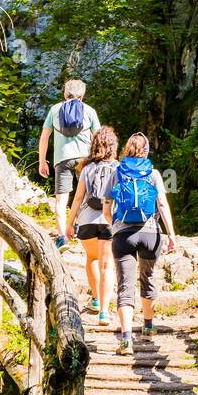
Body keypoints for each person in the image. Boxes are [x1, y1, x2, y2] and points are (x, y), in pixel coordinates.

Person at [104, 132, 176, 356]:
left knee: (125, 286)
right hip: (150, 233)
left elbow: (106, 207)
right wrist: (171, 234)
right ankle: (147, 326)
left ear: (127, 149)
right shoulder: (153, 173)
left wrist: (114, 224)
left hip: (123, 235)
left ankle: (126, 340)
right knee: (148, 278)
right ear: (146, 151)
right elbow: (162, 204)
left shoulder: (117, 172)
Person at [38, 79, 100, 248]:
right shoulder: (89, 111)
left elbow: (44, 137)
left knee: (60, 200)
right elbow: (99, 139)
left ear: (65, 93)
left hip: (62, 158)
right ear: (83, 95)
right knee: (85, 196)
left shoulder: (55, 109)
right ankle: (81, 230)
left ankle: (62, 237)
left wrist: (42, 161)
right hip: (85, 159)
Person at [66, 126, 118, 324]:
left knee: (92, 258)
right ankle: (104, 311)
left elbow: (78, 198)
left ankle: (95, 299)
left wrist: (69, 224)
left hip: (87, 220)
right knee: (107, 266)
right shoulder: (118, 168)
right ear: (113, 146)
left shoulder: (87, 168)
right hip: (109, 220)